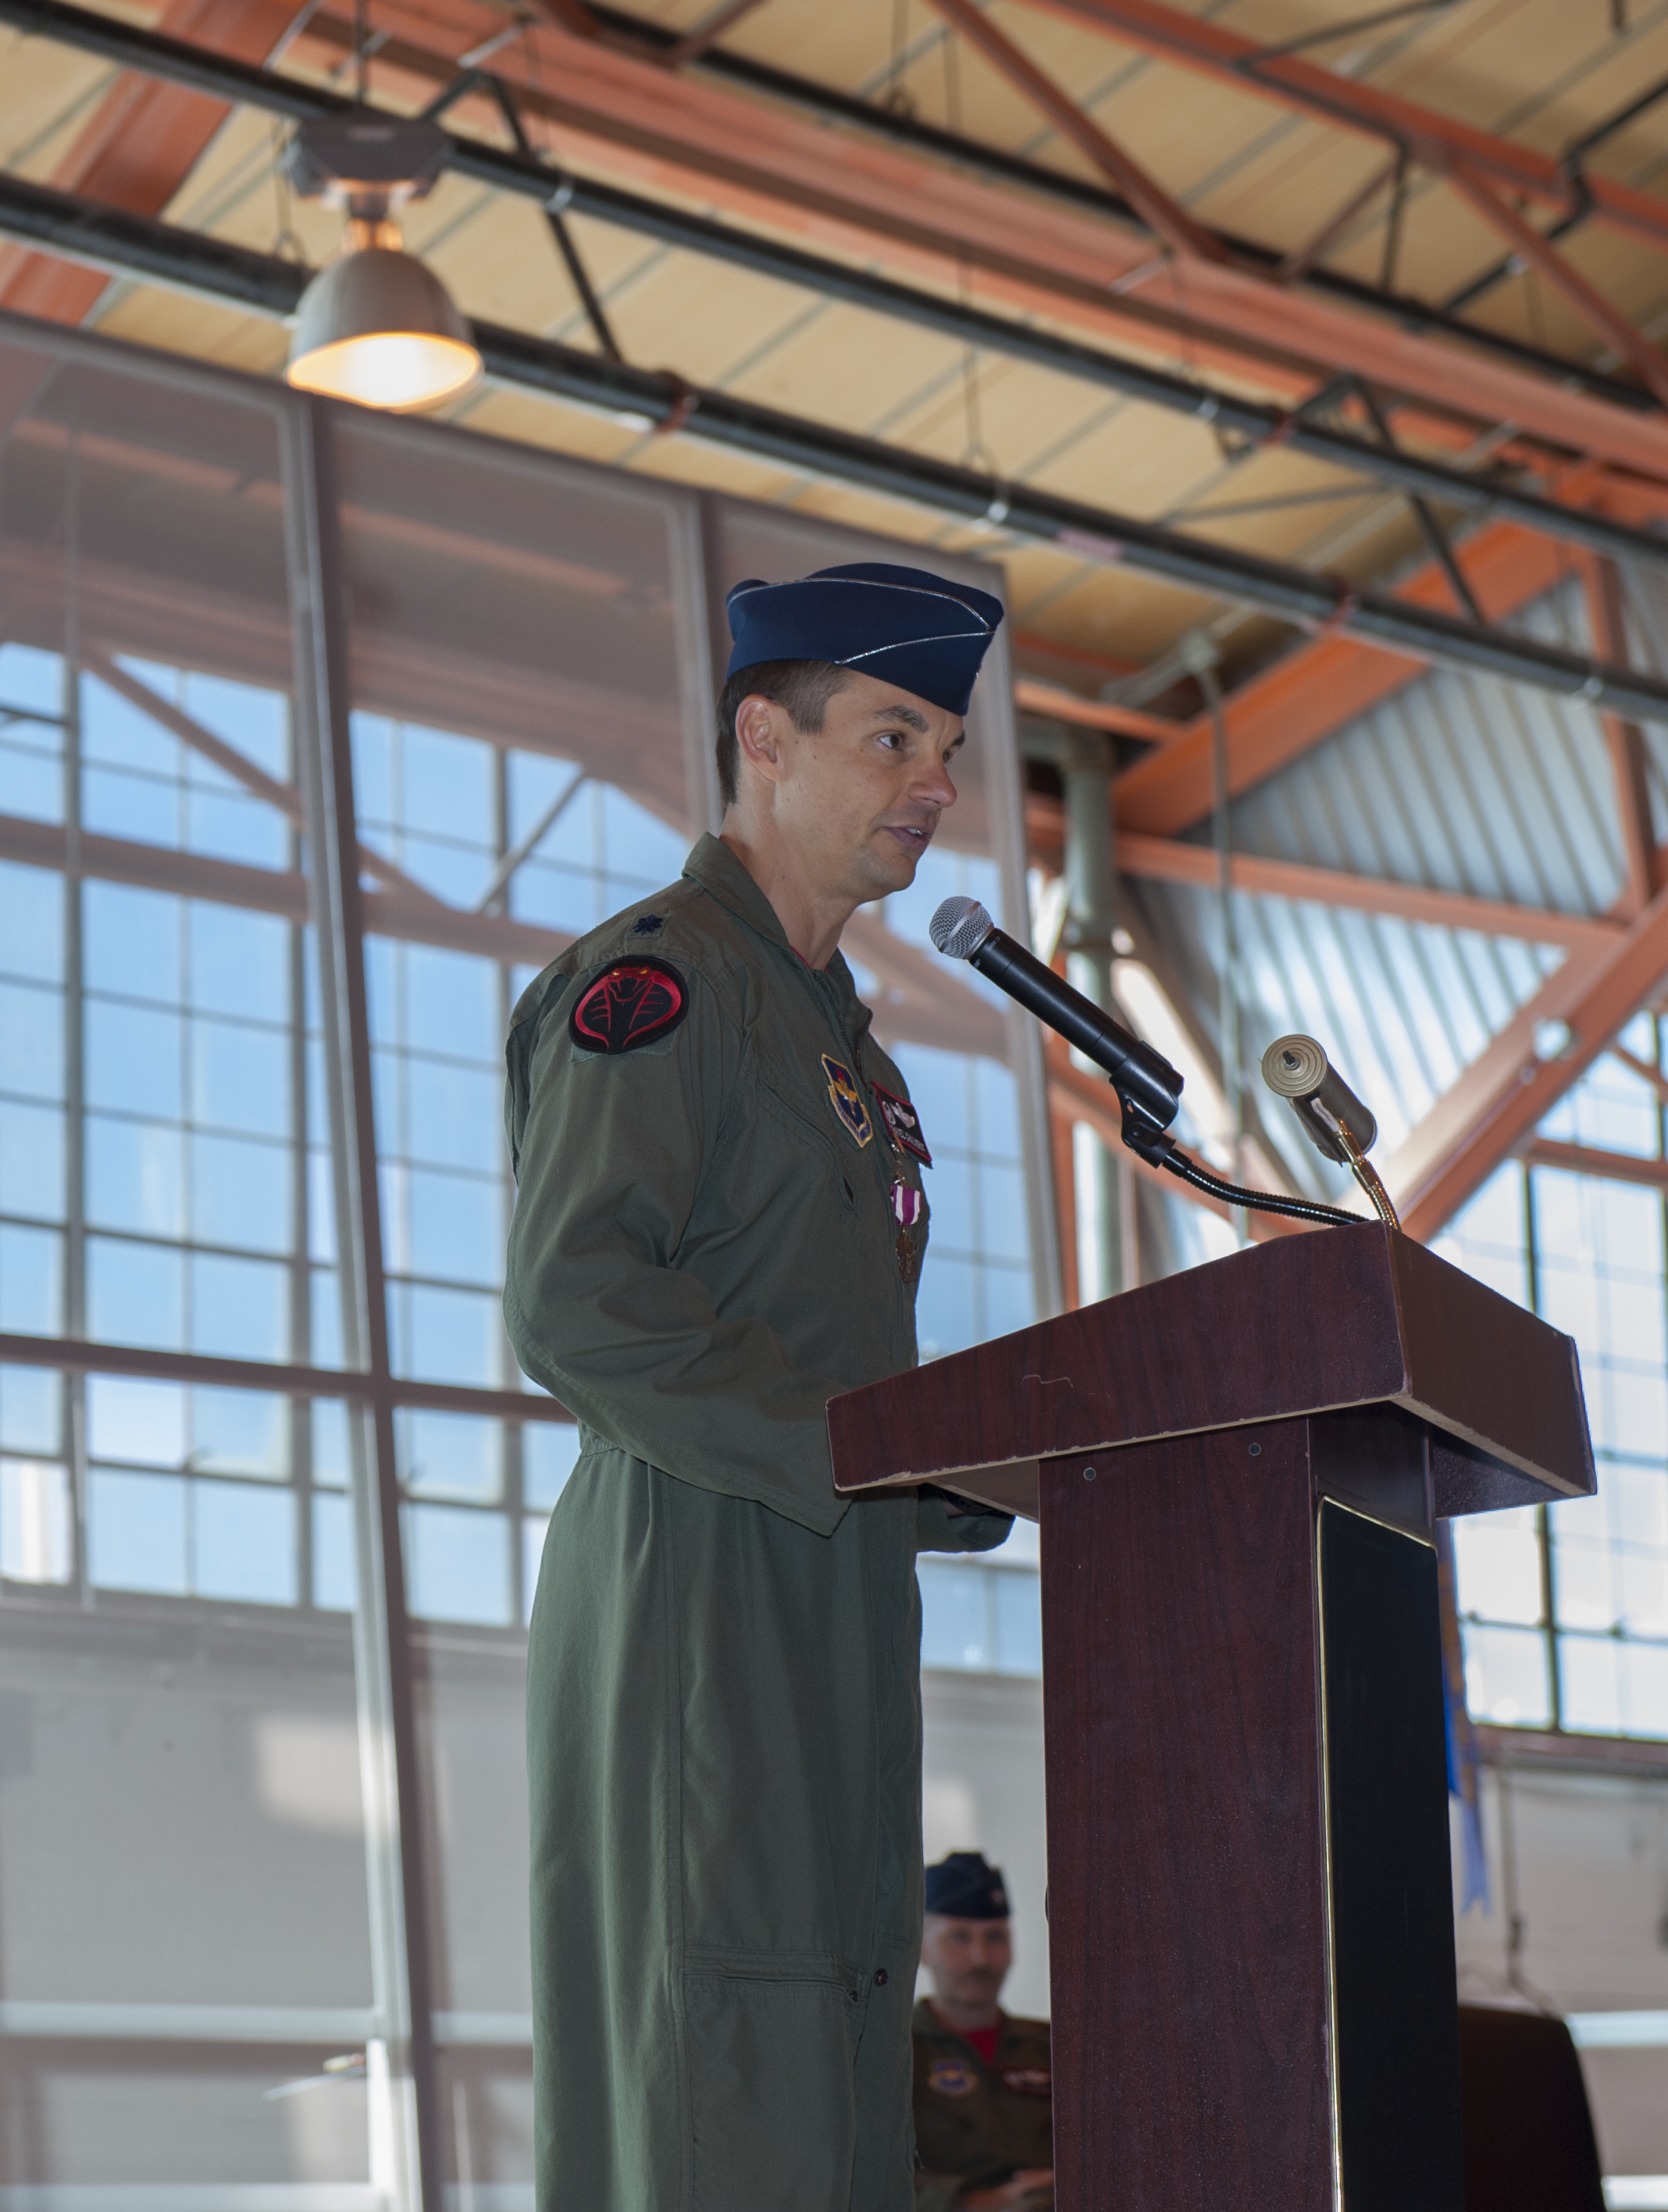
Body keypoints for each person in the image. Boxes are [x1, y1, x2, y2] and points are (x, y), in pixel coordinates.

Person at [511, 562, 1019, 2212]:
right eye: (893, 738)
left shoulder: (851, 1057)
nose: (936, 785)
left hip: (832, 1587)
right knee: (724, 2059)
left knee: (830, 2064)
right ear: (764, 739)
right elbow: (582, 1303)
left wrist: (968, 1464)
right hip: (702, 1584)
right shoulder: (661, 983)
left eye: (946, 748)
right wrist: (867, 1451)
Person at [911, 1851, 1053, 2212]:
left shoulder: (1056, 2046)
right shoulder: (891, 2052)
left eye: (995, 1938)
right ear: (921, 1949)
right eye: (959, 1937)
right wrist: (974, 2203)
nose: (980, 1959)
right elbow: (862, 2170)